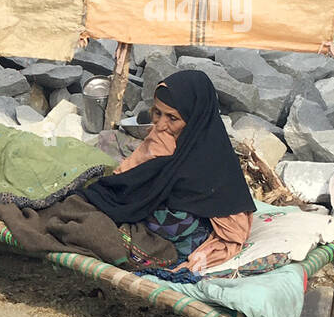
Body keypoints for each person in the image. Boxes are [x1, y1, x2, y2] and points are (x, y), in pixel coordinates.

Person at [83, 69, 254, 272]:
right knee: (96, 198)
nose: (161, 124)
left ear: (194, 119)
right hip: (153, 212)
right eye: (157, 113)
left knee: (176, 220)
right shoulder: (160, 138)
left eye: (172, 118)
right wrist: (154, 157)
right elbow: (125, 177)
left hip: (191, 227)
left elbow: (233, 223)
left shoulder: (213, 155)